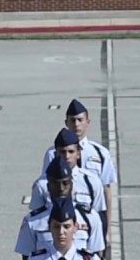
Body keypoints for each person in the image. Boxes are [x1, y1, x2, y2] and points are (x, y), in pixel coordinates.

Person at [39, 99, 117, 246]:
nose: (76, 125)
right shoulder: (52, 153)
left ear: (88, 121)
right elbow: (45, 188)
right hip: (62, 223)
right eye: (72, 120)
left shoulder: (100, 153)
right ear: (66, 122)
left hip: (89, 223)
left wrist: (107, 230)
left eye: (80, 120)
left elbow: (106, 192)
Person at [30, 128, 106, 216]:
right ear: (55, 154)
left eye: (71, 152)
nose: (66, 156)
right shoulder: (42, 185)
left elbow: (100, 216)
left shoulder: (92, 182)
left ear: (78, 154)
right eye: (62, 152)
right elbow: (36, 219)